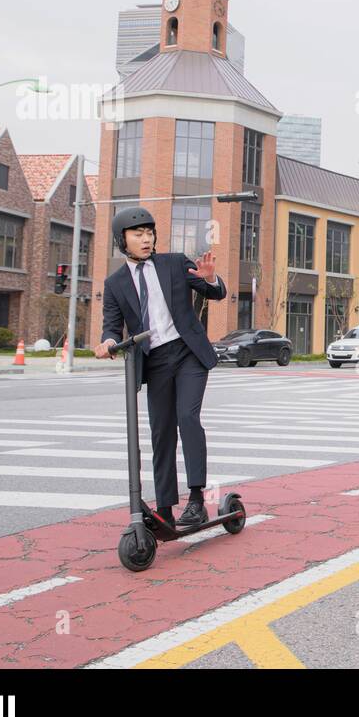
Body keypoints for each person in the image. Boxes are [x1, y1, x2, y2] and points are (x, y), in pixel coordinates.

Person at [96, 206, 227, 527]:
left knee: (187, 417)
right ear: (121, 240)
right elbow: (112, 325)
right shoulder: (114, 283)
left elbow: (215, 292)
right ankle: (165, 507)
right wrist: (108, 342)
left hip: (188, 354)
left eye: (149, 233)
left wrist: (211, 279)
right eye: (137, 234)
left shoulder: (174, 263)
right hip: (155, 361)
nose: (145, 239)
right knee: (161, 432)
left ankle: (197, 499)